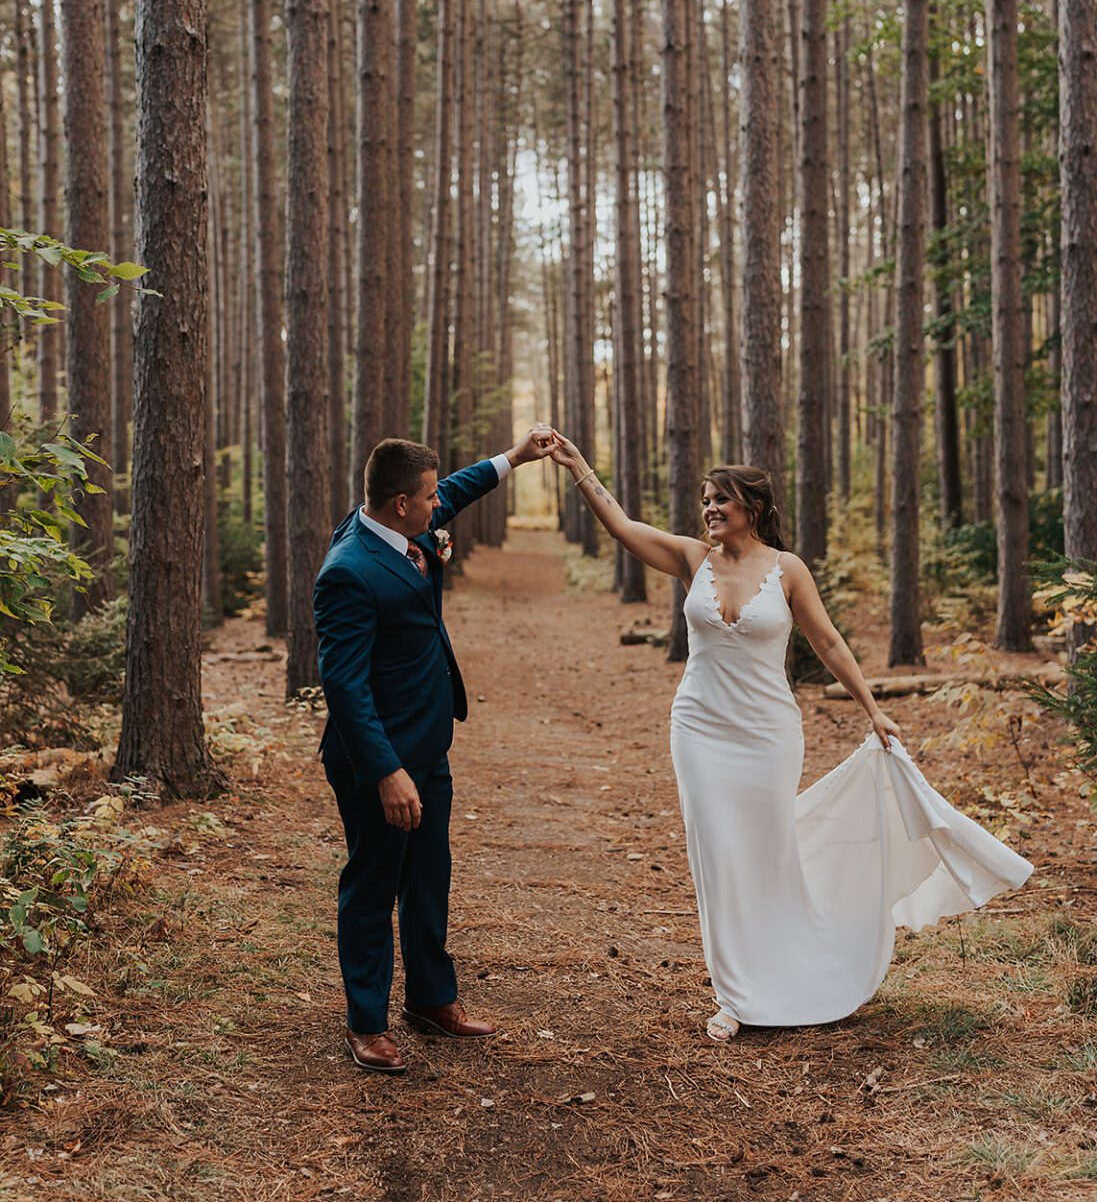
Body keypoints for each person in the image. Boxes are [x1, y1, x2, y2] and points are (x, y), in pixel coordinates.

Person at [547, 433, 1033, 1041]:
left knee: (767, 850)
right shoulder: (691, 560)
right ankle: (735, 993)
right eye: (705, 501)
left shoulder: (787, 570)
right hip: (698, 727)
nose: (710, 510)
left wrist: (872, 709)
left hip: (768, 733)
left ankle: (791, 963)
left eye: (721, 500)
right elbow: (621, 525)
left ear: (752, 506)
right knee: (716, 855)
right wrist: (578, 465)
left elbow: (827, 641)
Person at [314, 428, 553, 1074]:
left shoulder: (402, 525)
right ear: (398, 505)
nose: (436, 503)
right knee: (372, 883)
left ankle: (430, 998)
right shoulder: (348, 572)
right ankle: (366, 1022)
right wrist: (386, 771)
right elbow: (343, 683)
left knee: (428, 876)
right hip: (379, 760)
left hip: (428, 744)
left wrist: (516, 457)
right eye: (426, 497)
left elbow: (457, 489)